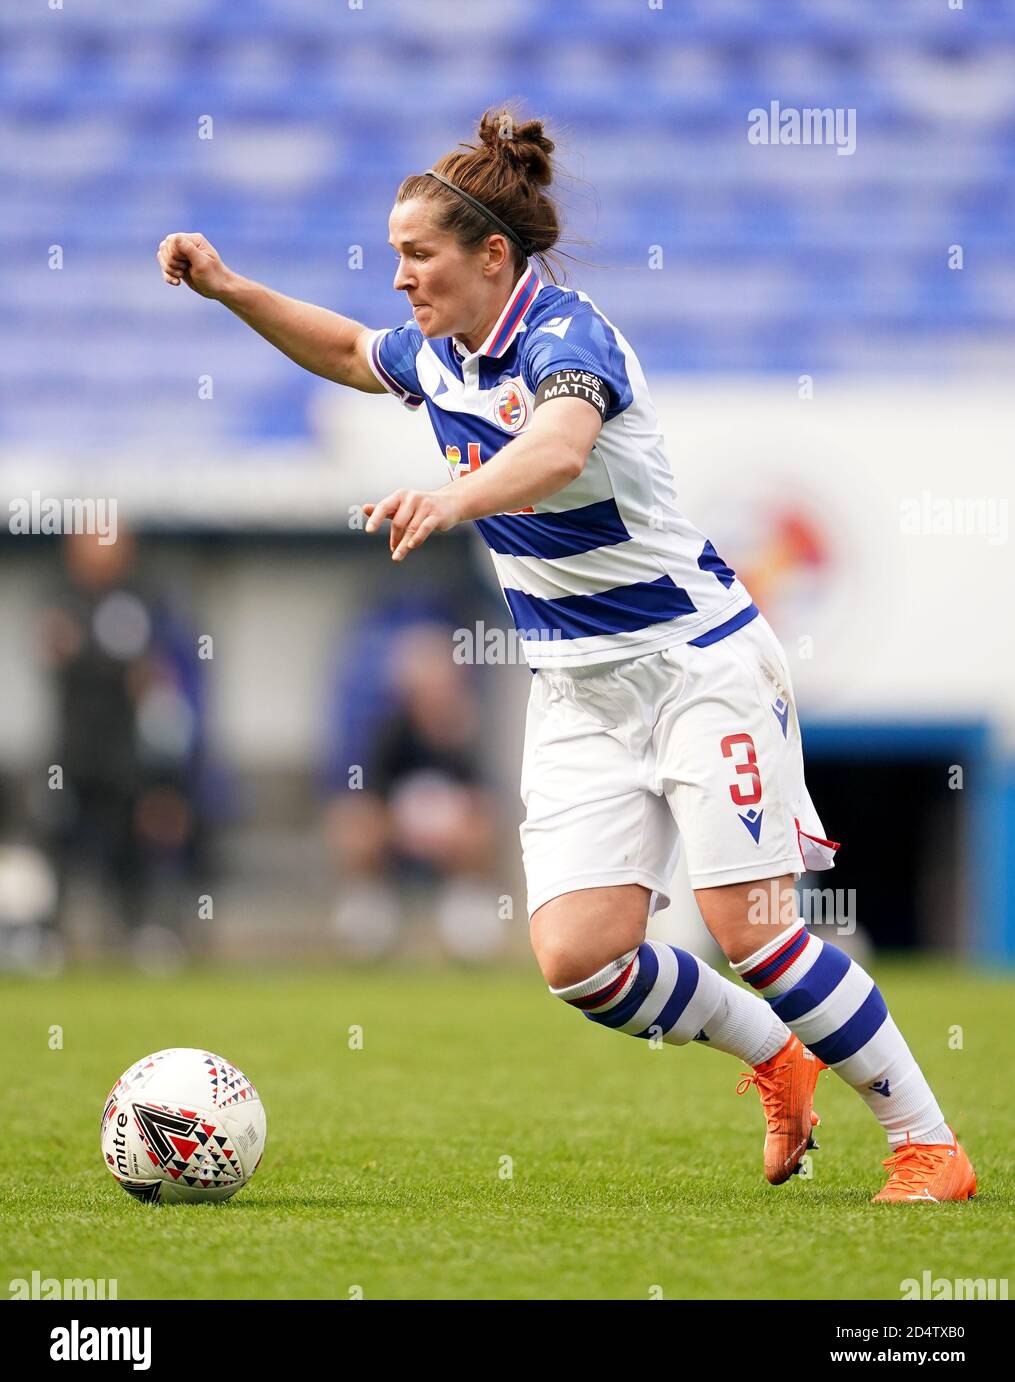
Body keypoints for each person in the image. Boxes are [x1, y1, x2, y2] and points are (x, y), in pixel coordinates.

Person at [156, 105, 975, 1202]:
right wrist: (228, 287)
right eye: (394, 256)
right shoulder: (444, 351)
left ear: (493, 255)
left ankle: (927, 1143)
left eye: (417, 255)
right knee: (581, 961)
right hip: (580, 691)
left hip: (695, 666)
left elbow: (555, 447)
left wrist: (453, 496)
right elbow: (352, 350)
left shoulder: (565, 338)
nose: (399, 278)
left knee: (755, 933)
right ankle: (776, 1058)